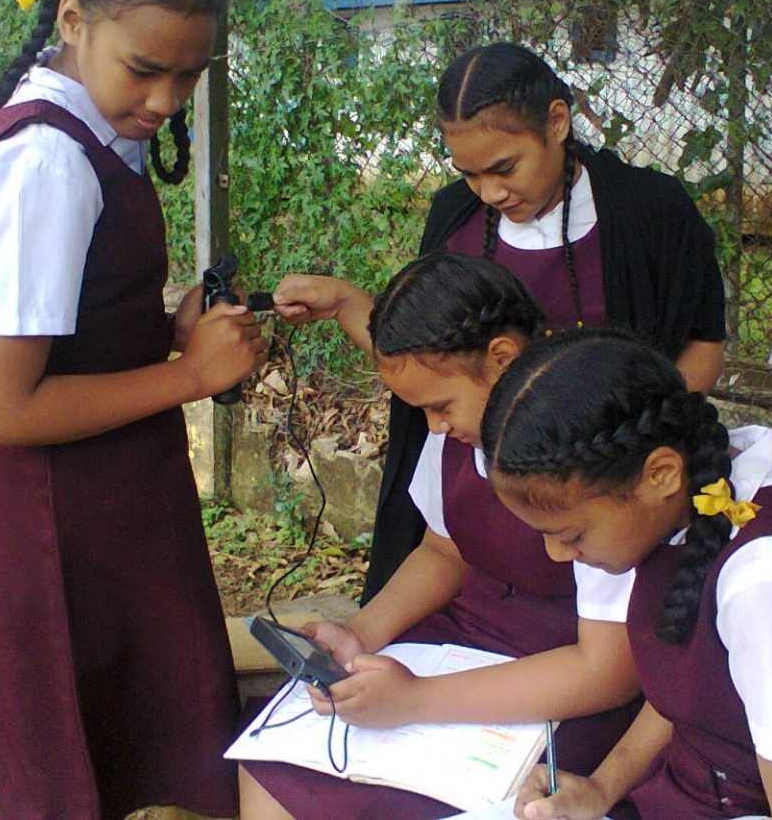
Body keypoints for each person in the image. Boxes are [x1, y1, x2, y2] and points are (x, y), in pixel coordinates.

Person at [0, 0, 267, 820]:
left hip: (104, 487)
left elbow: (71, 332)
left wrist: (171, 331)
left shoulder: (92, 134)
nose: (166, 98)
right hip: (53, 510)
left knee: (109, 737)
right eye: (146, 68)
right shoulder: (44, 160)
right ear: (72, 19)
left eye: (188, 74)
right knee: (55, 769)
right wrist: (190, 376)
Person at [273, 41, 726, 603]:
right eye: (469, 175)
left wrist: (626, 447)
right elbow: (432, 364)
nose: (491, 193)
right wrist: (346, 304)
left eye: (505, 168)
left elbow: (704, 343)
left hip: (603, 500)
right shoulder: (454, 218)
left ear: (556, 122)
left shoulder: (650, 212)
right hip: (474, 513)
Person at [240, 253, 643, 820]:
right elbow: (442, 550)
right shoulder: (460, 433)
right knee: (280, 767)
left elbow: (607, 672)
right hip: (456, 644)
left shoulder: (588, 456)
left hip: (563, 685)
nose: (434, 426)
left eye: (440, 406)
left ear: (502, 359)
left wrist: (415, 702)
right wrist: (360, 632)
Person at [479, 330, 772, 820]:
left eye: (570, 533)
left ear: (660, 474)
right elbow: (696, 692)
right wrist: (598, 789)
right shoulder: (685, 506)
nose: (556, 554)